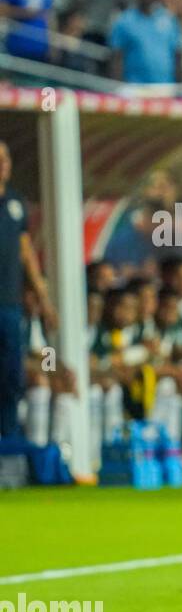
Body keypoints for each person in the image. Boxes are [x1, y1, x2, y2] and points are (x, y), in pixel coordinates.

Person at [1, 140, 57, 440]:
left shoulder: (15, 202)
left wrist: (43, 298)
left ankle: (9, 443)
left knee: (13, 374)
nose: (3, 165)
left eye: (6, 160)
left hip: (9, 303)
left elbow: (25, 251)